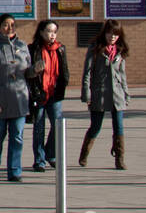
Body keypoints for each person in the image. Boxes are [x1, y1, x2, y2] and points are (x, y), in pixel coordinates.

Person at [0, 14, 32, 181]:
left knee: (17, 135)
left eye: (12, 25)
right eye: (5, 25)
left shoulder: (22, 46)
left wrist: (36, 70)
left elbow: (28, 73)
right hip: (0, 99)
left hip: (20, 98)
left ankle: (14, 171)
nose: (9, 28)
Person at [81, 19, 130, 169]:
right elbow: (87, 72)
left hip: (116, 94)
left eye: (116, 34)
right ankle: (84, 154)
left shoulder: (120, 51)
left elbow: (122, 75)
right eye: (110, 33)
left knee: (119, 127)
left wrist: (126, 94)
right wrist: (86, 93)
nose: (112, 37)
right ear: (105, 33)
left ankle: (119, 158)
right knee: (96, 126)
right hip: (99, 93)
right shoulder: (95, 48)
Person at [26, 20, 69, 171]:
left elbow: (64, 70)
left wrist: (63, 84)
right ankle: (39, 160)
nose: (52, 35)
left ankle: (50, 153)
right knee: (39, 128)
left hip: (54, 93)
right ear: (41, 32)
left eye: (54, 32)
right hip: (39, 93)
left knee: (58, 125)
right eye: (49, 31)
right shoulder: (33, 49)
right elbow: (27, 73)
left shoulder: (60, 49)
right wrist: (34, 70)